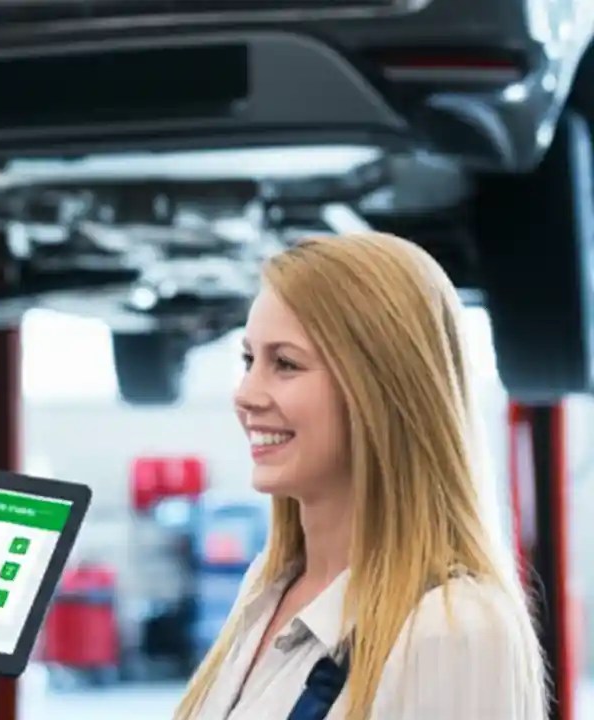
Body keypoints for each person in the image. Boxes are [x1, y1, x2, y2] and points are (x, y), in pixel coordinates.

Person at [171, 233, 547, 720]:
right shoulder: (269, 588)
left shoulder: (453, 628)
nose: (245, 394)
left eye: (284, 364)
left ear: (380, 390)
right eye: (249, 360)